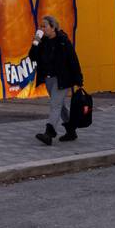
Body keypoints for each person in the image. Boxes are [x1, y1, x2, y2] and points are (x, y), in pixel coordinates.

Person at [28, 15, 83, 146]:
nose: (41, 28)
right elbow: (32, 57)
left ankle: (49, 133)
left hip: (62, 79)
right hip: (49, 79)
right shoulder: (43, 42)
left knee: (55, 105)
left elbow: (73, 60)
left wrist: (79, 78)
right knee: (60, 106)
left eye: (44, 26)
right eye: (40, 26)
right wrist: (36, 42)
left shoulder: (63, 41)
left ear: (53, 27)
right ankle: (71, 131)